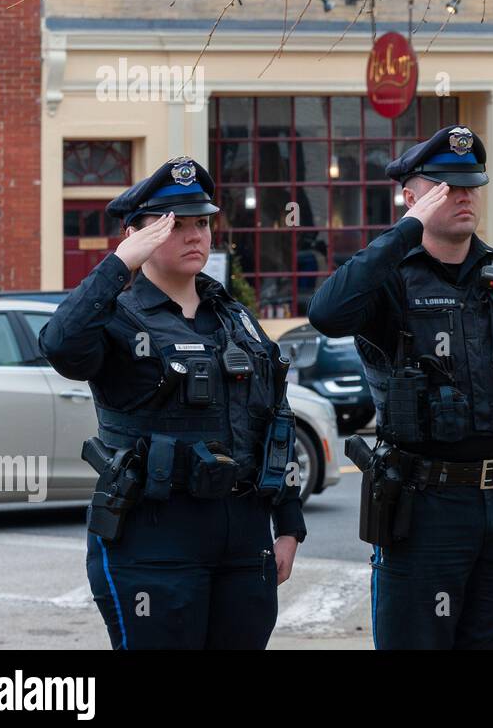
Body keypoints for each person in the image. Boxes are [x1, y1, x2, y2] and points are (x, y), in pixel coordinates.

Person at [308, 125, 493, 650]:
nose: (464, 196)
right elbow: (327, 312)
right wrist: (406, 230)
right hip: (421, 506)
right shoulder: (389, 278)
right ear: (411, 196)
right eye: (446, 187)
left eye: (471, 185)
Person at [40, 157, 305, 650]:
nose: (194, 236)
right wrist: (119, 263)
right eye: (173, 225)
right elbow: (59, 344)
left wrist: (288, 523)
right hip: (152, 538)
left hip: (243, 541)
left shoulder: (234, 318)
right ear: (138, 235)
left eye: (201, 223)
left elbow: (275, 418)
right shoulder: (117, 317)